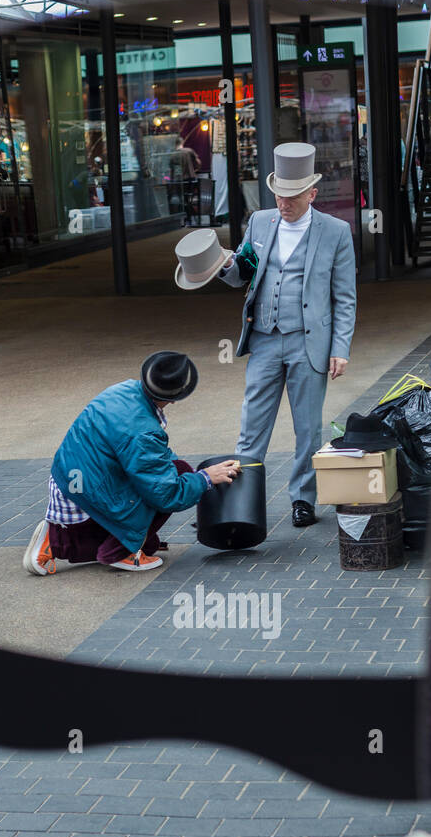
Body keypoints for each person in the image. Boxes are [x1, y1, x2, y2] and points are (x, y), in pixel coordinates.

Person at [217, 142, 356, 527]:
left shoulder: (336, 232)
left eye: (293, 197)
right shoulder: (260, 223)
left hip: (308, 341)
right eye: (279, 195)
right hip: (263, 338)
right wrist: (222, 264)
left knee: (307, 427)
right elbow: (241, 272)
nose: (284, 203)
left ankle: (303, 500)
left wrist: (340, 348)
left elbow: (345, 298)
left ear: (312, 193)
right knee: (251, 426)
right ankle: (241, 504)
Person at [23, 353, 239, 576]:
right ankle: (109, 551)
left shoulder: (123, 389)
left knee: (152, 521)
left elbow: (143, 456)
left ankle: (55, 539)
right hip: (88, 492)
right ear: (175, 398)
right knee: (178, 476)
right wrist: (205, 478)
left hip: (67, 479)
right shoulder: (144, 430)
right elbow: (165, 494)